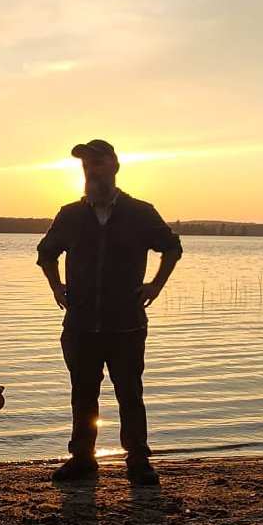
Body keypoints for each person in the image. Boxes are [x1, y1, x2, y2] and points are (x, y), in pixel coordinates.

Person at [36, 138, 183, 486]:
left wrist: (156, 285)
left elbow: (172, 248)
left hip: (127, 325)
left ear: (114, 166)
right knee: (83, 394)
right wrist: (56, 286)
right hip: (81, 326)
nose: (91, 171)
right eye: (86, 166)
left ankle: (138, 460)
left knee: (129, 393)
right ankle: (83, 459)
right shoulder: (70, 214)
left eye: (97, 164)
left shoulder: (140, 213)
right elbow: (45, 253)